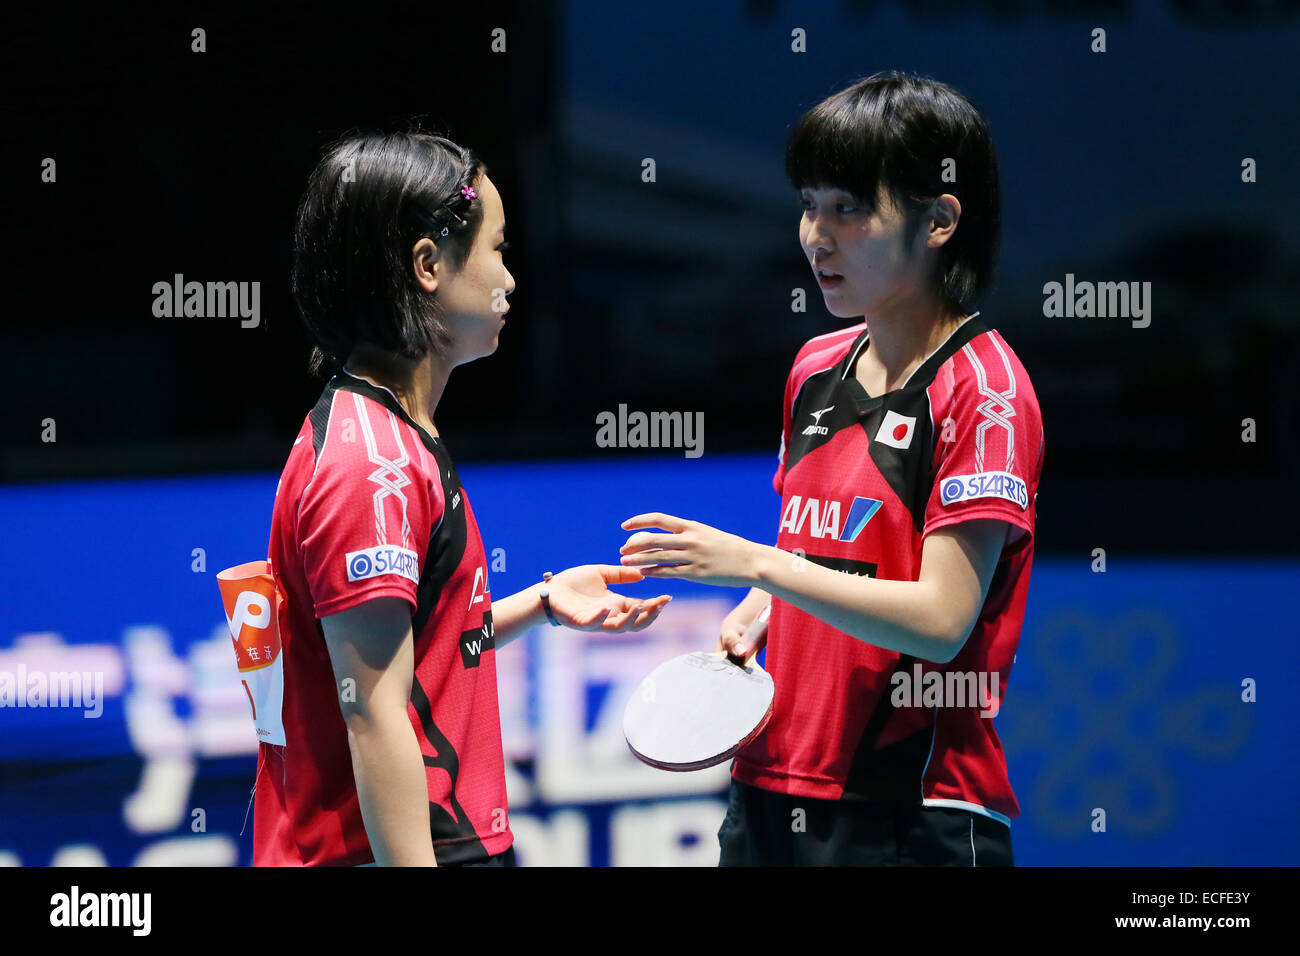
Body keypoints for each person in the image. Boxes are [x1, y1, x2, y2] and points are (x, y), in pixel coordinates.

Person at [619, 72, 1044, 866]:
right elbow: (820, 548)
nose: (816, 235)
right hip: (772, 787)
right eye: (809, 204)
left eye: (848, 208)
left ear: (940, 219)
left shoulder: (985, 394)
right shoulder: (815, 368)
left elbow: (943, 621)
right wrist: (759, 605)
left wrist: (759, 566)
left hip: (909, 810)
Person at [258, 130, 671, 866]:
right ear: (427, 266)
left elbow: (417, 654)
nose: (509, 278)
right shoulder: (370, 463)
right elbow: (373, 712)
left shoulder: (390, 433)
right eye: (497, 249)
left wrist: (541, 602)